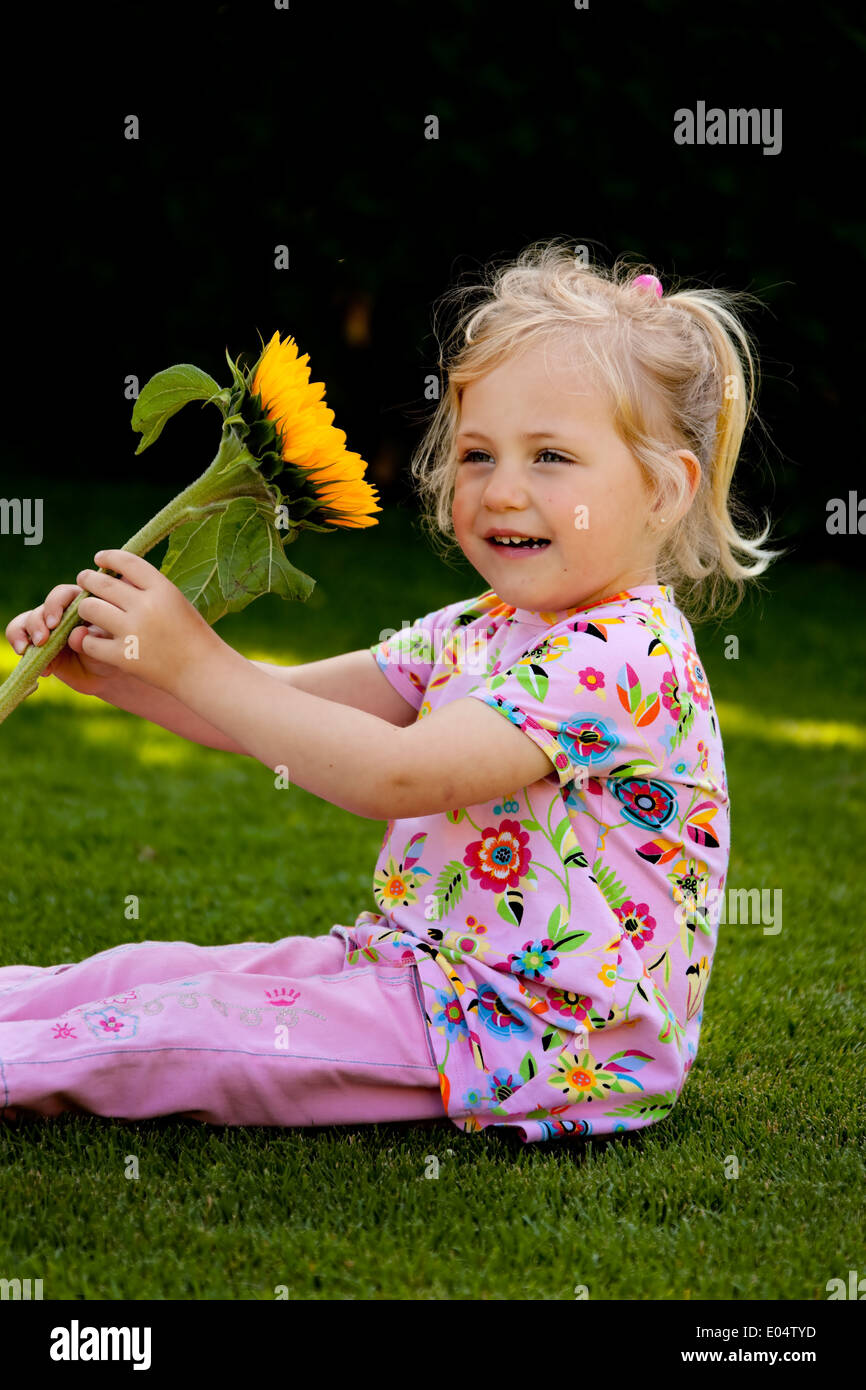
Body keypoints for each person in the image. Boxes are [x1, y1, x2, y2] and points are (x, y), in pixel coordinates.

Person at [1, 239, 781, 1143]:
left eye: (553, 458)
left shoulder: (622, 656)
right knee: (136, 974)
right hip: (418, 975)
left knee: (179, 1030)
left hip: (527, 1033)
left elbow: (399, 775)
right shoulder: (485, 623)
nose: (502, 491)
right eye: (480, 453)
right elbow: (282, 705)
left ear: (665, 490)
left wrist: (195, 662)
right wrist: (126, 671)